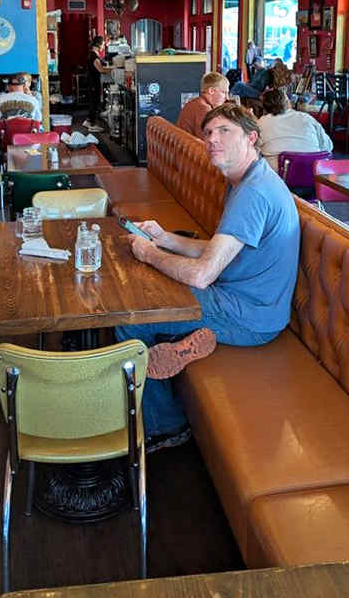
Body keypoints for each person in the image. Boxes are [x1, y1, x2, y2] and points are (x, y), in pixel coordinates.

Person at [116, 102, 300, 451]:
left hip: (249, 316)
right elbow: (220, 250)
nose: (212, 139)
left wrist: (148, 252)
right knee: (152, 290)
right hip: (249, 302)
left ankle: (165, 425)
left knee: (132, 316)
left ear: (251, 137)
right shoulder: (248, 179)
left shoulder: (253, 193)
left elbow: (202, 275)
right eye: (208, 133)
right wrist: (165, 238)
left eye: (224, 131)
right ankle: (183, 342)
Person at [257, 88, 332, 173]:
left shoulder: (261, 123)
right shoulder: (306, 118)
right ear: (287, 103)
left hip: (279, 178)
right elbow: (328, 146)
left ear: (264, 108)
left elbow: (255, 151)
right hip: (315, 175)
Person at [176, 72, 230, 140]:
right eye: (224, 92)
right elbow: (209, 141)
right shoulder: (204, 109)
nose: (227, 97)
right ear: (211, 91)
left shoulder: (196, 103)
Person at [84, 36, 112, 133]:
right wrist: (113, 69)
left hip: (92, 81)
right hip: (93, 82)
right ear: (98, 45)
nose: (104, 46)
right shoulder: (94, 56)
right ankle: (92, 125)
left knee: (93, 102)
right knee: (94, 103)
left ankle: (88, 121)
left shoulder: (94, 54)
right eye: (103, 44)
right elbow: (101, 69)